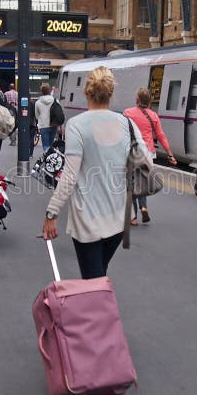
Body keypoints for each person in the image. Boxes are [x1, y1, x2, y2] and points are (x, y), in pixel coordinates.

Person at [42, 66, 142, 279]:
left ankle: (103, 311)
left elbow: (69, 175)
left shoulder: (77, 125)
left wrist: (52, 213)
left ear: (86, 92)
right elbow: (143, 162)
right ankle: (100, 308)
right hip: (119, 218)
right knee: (98, 275)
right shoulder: (128, 123)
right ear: (111, 93)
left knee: (93, 281)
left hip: (88, 220)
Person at [123, 88, 177, 225]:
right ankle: (144, 207)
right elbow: (161, 135)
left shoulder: (128, 113)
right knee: (143, 181)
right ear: (149, 102)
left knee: (131, 183)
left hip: (132, 150)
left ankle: (133, 218)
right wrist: (170, 154)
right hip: (148, 152)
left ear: (137, 100)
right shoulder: (153, 116)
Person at [35, 84, 57, 151]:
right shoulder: (54, 100)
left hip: (43, 125)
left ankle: (47, 158)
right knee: (51, 144)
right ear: (49, 91)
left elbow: (37, 115)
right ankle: (51, 158)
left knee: (45, 145)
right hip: (53, 124)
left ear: (41, 92)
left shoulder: (38, 102)